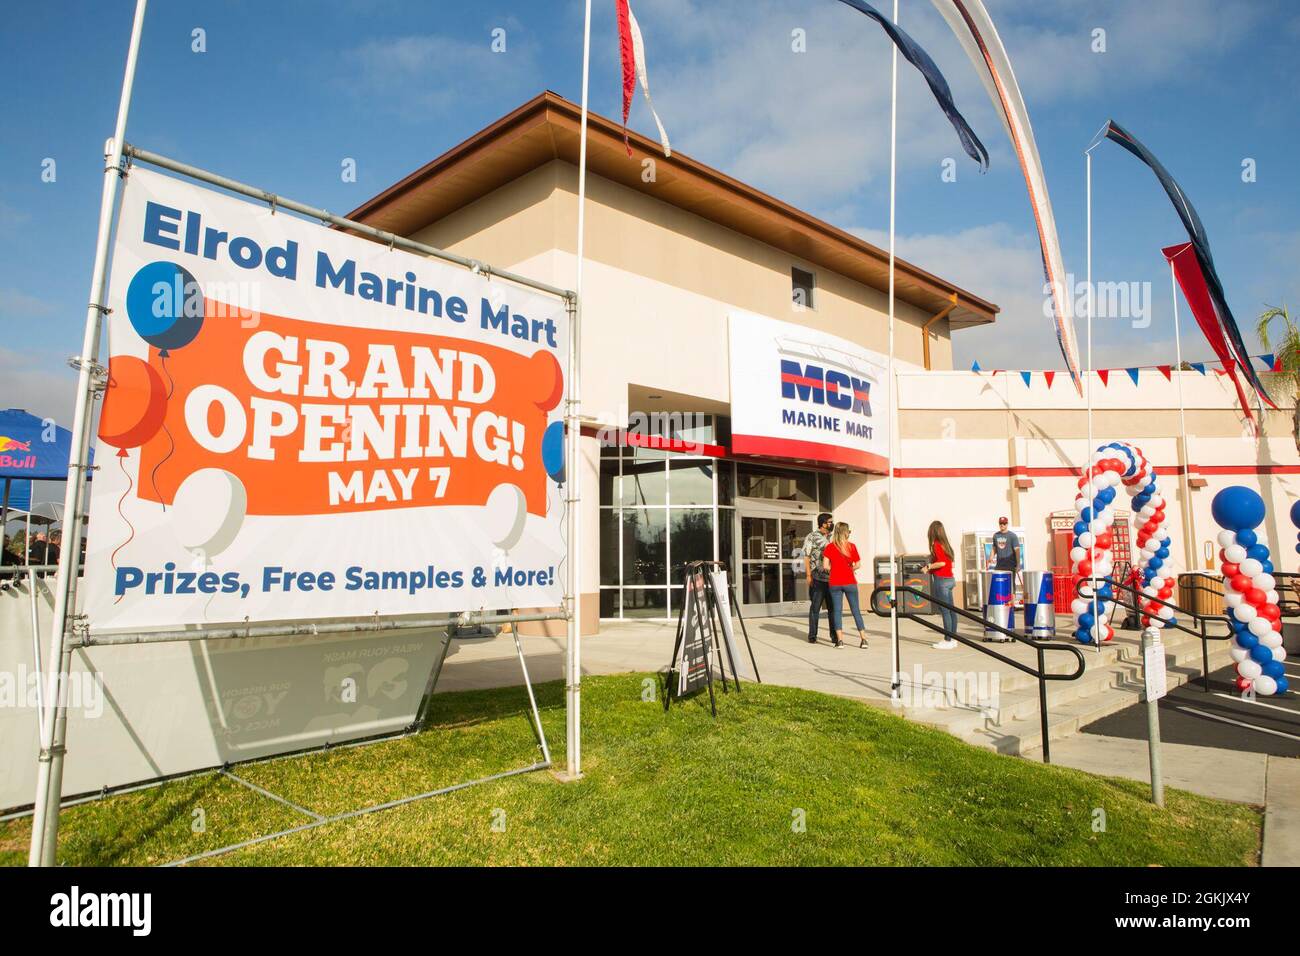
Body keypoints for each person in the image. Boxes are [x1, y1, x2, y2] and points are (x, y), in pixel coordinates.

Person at [822, 522, 867, 648]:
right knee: (855, 610)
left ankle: (840, 641)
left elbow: (825, 566)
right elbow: (858, 564)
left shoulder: (830, 547)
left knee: (837, 611)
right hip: (850, 582)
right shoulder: (851, 547)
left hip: (835, 582)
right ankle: (863, 639)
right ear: (846, 532)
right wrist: (849, 569)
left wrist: (835, 569)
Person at [802, 512, 840, 647]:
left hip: (832, 578)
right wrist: (808, 575)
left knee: (833, 609)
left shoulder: (833, 537)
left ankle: (835, 636)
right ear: (823, 523)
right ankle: (812, 636)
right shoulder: (811, 537)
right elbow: (806, 556)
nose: (831, 524)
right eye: (830, 522)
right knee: (815, 608)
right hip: (817, 578)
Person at [924, 520, 958, 650]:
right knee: (951, 610)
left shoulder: (936, 545)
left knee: (944, 611)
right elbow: (949, 563)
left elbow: (942, 563)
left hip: (941, 580)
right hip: (950, 579)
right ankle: (954, 638)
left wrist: (929, 566)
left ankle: (947, 639)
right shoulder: (946, 545)